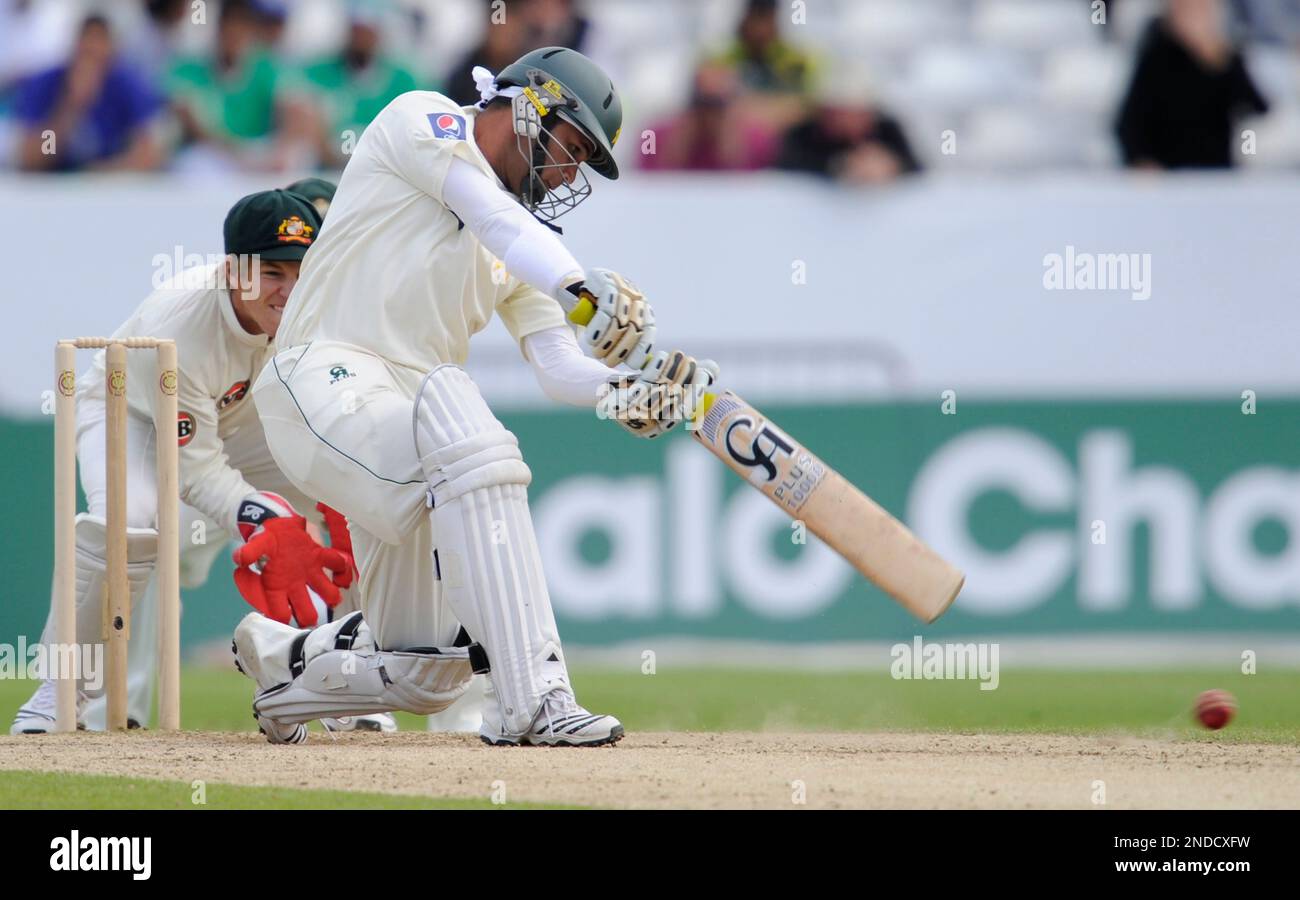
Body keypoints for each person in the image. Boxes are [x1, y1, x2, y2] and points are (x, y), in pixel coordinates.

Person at [236, 47, 718, 747]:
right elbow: (489, 213)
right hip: (321, 382)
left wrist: (632, 389)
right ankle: (536, 699)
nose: (567, 173)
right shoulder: (422, 121)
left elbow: (557, 367)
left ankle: (283, 667)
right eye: (570, 148)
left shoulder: (527, 243)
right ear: (527, 107)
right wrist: (578, 286)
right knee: (467, 421)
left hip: (405, 430)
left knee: (424, 673)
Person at [10, 189, 393, 737]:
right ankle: (60, 691)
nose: (289, 290)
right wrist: (262, 516)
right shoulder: (181, 329)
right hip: (134, 411)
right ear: (232, 270)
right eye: (271, 272)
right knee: (129, 527)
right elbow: (194, 471)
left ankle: (346, 681)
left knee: (355, 509)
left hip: (245, 418)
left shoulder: (322, 307)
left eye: (300, 271)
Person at [1116, 0, 1269, 169]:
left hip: (1218, 175)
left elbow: (1257, 109)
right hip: (1167, 176)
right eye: (1188, 9)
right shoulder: (1155, 57)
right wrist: (1141, 160)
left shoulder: (1226, 58)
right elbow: (1129, 123)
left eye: (1202, 9)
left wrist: (1221, 66)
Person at [11, 13, 165, 172]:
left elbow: (149, 154)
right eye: (87, 50)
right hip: (54, 185)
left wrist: (101, 173)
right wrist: (71, 107)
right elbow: (32, 159)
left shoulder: (128, 85)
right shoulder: (46, 84)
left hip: (110, 185)